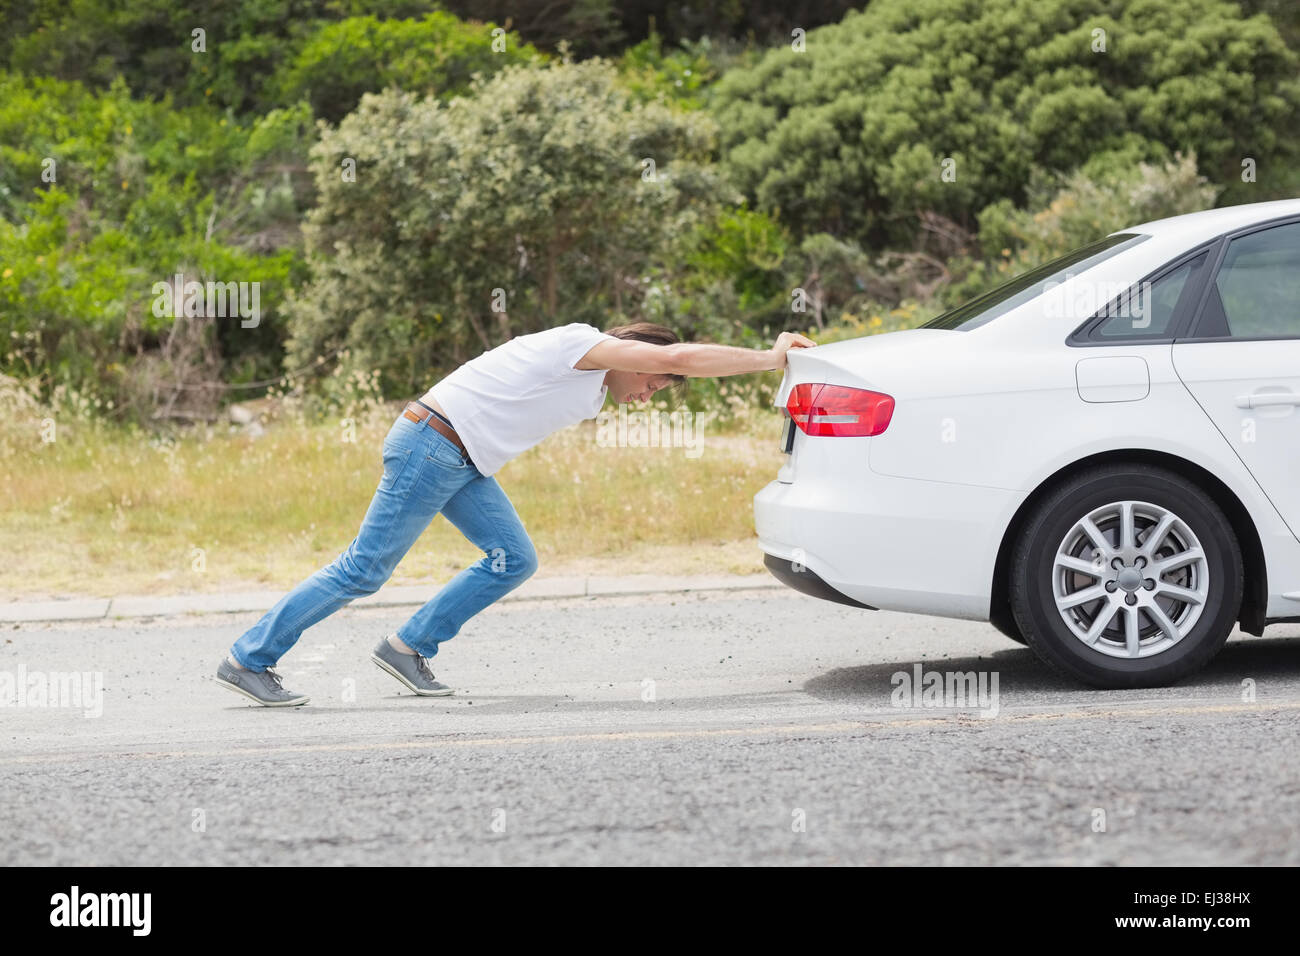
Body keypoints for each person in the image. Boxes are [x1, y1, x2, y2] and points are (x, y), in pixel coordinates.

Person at [214, 321, 816, 706]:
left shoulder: (592, 382)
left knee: (513, 559)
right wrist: (772, 358)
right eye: (656, 384)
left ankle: (406, 647)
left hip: (460, 458)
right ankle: (249, 658)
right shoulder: (578, 345)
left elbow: (669, 364)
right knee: (363, 570)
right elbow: (683, 356)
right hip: (433, 445)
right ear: (637, 355)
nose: (647, 396)